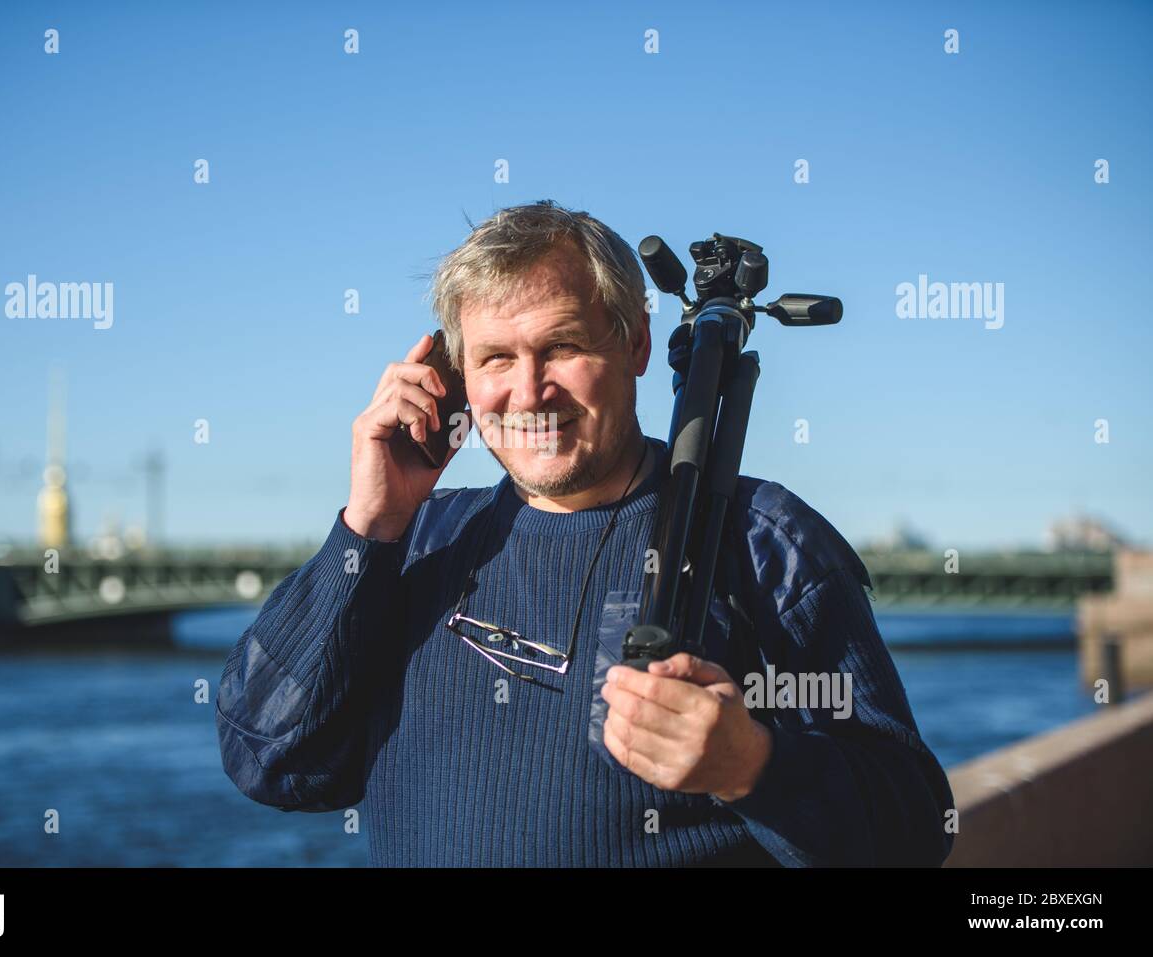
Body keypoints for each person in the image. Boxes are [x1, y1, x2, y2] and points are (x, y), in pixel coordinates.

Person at [215, 200, 955, 867]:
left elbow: (917, 829)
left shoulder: (762, 543)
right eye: (496, 358)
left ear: (634, 344)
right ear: (455, 377)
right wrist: (367, 527)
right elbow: (269, 757)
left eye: (562, 346)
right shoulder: (416, 543)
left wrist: (752, 766)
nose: (529, 389)